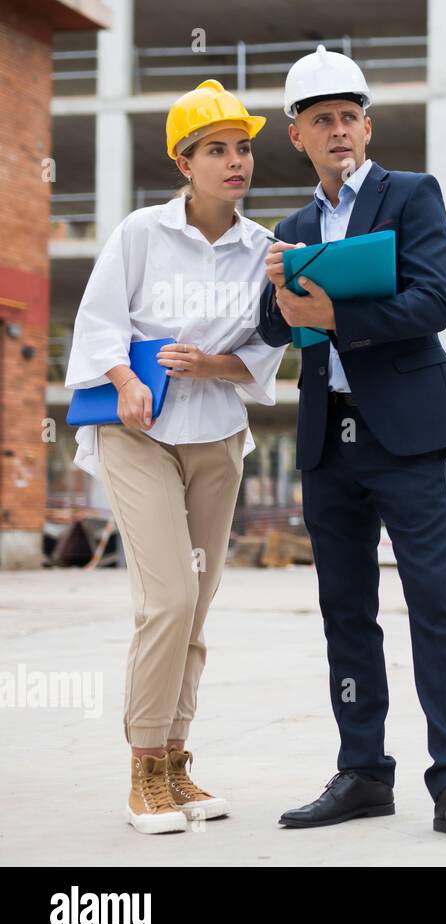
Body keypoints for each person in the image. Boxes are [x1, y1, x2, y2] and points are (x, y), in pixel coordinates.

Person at [258, 46, 446, 843]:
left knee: (433, 601)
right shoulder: (293, 228)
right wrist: (275, 290)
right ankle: (363, 772)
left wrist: (338, 319)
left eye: (348, 118)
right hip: (331, 441)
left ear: (366, 126)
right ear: (296, 136)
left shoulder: (411, 195)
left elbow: (431, 302)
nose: (337, 131)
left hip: (406, 437)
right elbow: (271, 332)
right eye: (320, 121)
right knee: (345, 610)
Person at [63, 79, 287, 834]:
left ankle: (178, 763)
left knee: (198, 607)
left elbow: (261, 359)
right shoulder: (140, 235)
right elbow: (96, 324)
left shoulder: (264, 251)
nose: (235, 161)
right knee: (167, 601)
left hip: (217, 440)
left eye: (244, 147)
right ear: (183, 164)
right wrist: (126, 376)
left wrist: (210, 365)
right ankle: (143, 768)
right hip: (139, 435)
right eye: (216, 149)